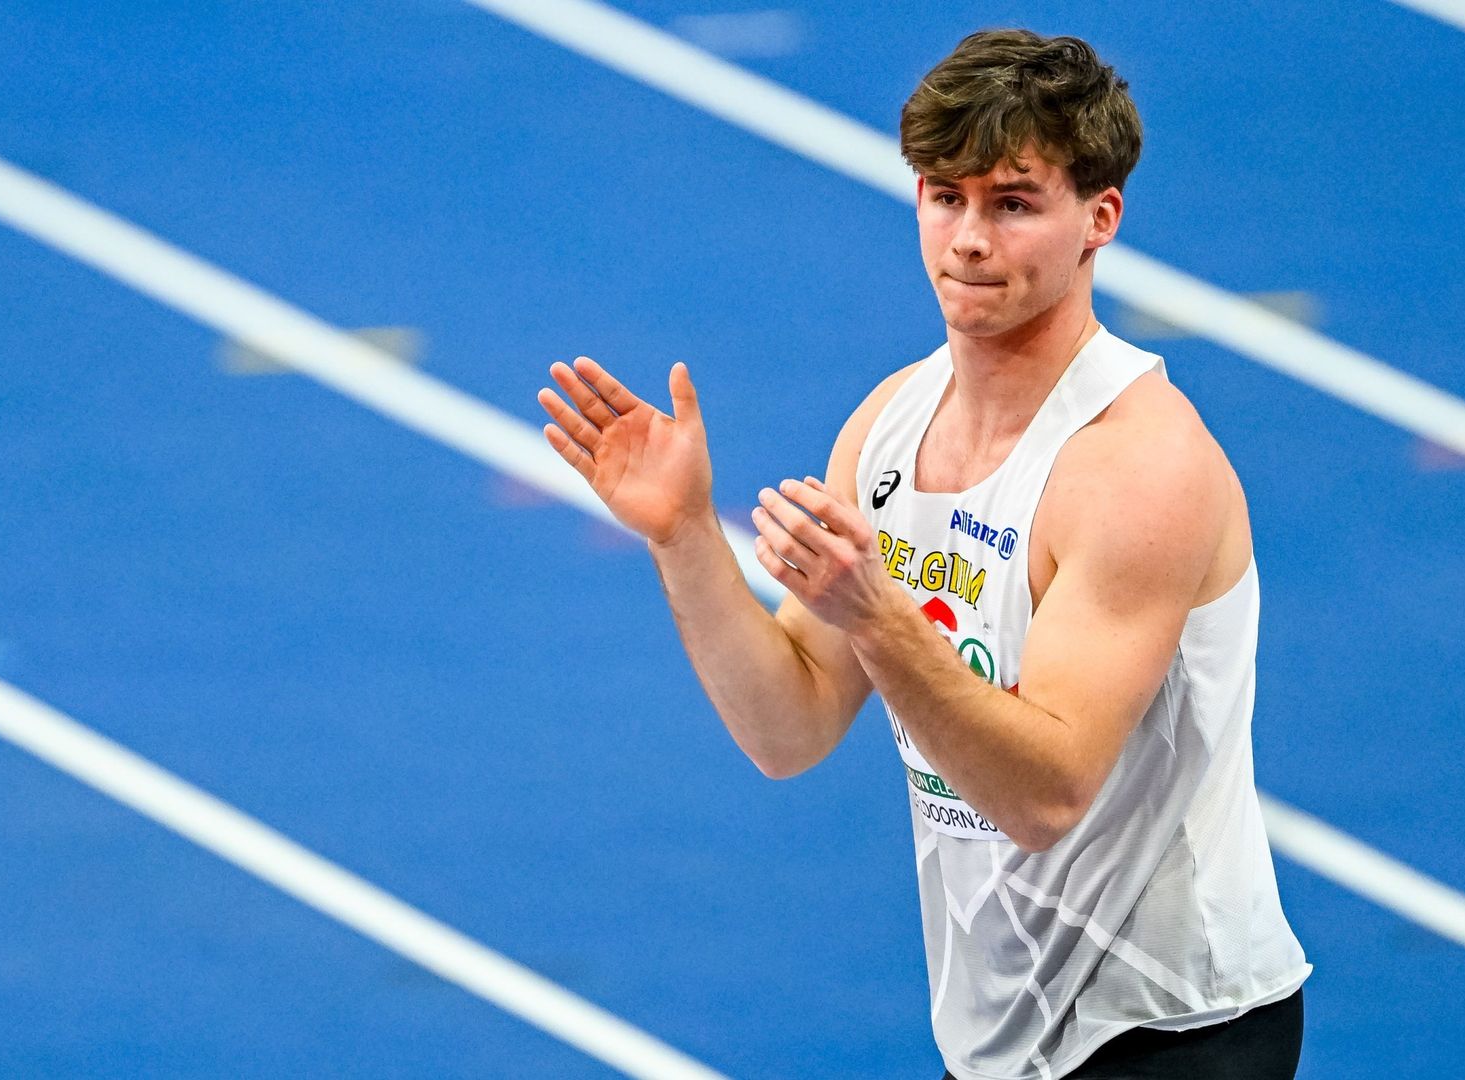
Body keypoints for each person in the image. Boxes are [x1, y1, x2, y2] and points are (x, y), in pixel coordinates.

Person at [536, 27, 1310, 1080]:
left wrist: (881, 617)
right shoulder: (890, 425)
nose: (968, 240)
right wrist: (683, 536)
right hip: (1000, 1033)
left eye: (1012, 202)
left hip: (1172, 1026)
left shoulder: (1137, 469)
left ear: (1100, 219)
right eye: (944, 197)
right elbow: (789, 725)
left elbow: (1044, 797)